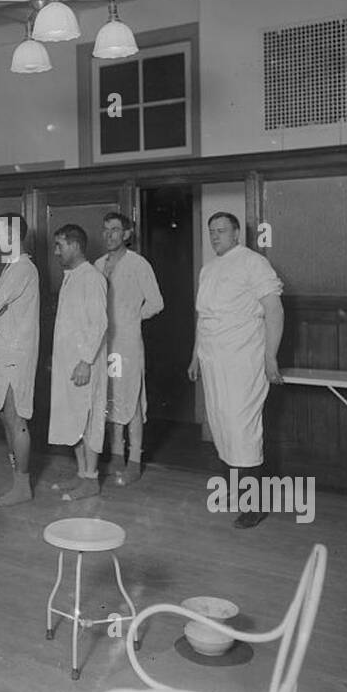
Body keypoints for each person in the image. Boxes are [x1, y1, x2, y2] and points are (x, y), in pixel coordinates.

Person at [188, 211, 285, 529]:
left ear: (236, 234)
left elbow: (274, 309)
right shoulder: (209, 269)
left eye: (221, 231)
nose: (215, 236)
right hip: (214, 360)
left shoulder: (253, 263)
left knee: (242, 429)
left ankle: (254, 505)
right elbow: (203, 319)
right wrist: (195, 357)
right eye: (211, 231)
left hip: (243, 361)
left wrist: (271, 356)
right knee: (220, 425)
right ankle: (234, 494)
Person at [95, 212, 164, 486]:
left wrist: (132, 317)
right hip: (104, 342)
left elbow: (157, 302)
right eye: (105, 229)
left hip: (127, 343)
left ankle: (135, 459)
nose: (109, 235)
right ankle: (116, 456)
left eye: (114, 230)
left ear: (127, 234)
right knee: (110, 396)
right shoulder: (98, 264)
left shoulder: (138, 264)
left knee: (132, 396)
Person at [0, 213, 40, 508]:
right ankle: (16, 478)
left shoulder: (22, 268)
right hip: (5, 354)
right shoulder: (12, 267)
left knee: (17, 419)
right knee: (6, 416)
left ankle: (23, 485)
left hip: (17, 355)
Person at [49, 223, 108, 502]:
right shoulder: (71, 277)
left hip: (86, 364)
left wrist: (86, 361)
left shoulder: (92, 277)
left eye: (60, 245)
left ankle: (92, 479)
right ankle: (82, 473)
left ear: (74, 245)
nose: (56, 251)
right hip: (68, 364)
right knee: (73, 418)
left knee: (89, 417)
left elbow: (99, 323)